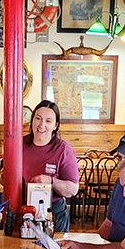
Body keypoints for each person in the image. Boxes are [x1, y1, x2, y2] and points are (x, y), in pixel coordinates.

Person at [23, 100, 79, 234]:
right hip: (23, 212)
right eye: (38, 118)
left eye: (48, 121)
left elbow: (73, 189)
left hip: (52, 215)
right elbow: (4, 177)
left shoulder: (63, 149)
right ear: (32, 121)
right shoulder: (20, 143)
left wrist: (51, 181)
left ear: (55, 125)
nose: (41, 125)